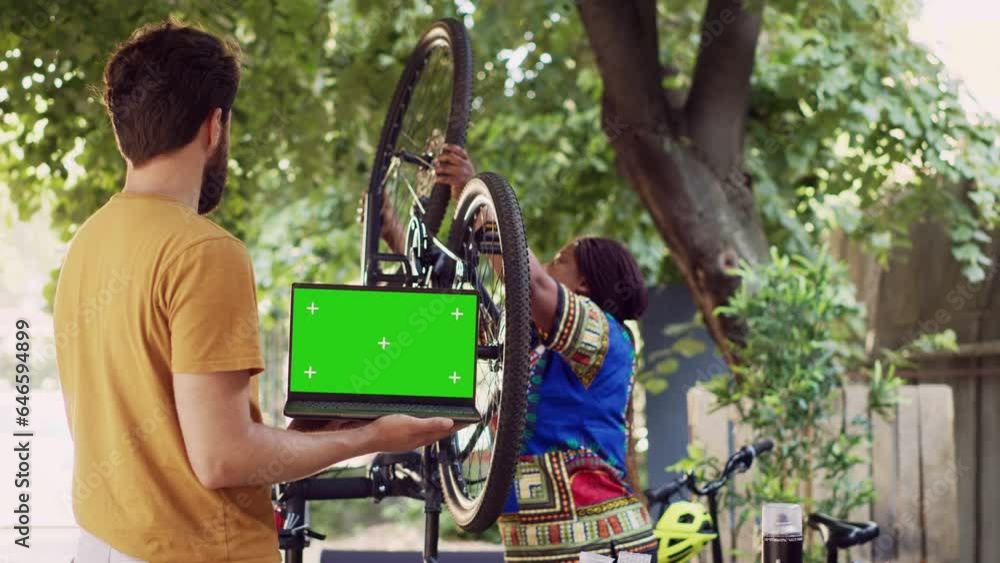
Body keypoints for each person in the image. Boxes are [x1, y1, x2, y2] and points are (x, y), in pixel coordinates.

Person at [53, 20, 457, 563]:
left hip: (103, 544)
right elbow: (223, 459)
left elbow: (172, 431)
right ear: (214, 126)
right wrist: (374, 438)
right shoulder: (203, 251)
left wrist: (303, 436)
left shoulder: (89, 241)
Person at [433, 146, 660, 562]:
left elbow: (531, 282)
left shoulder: (605, 334)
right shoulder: (537, 349)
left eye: (560, 260)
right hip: (548, 549)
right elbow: (449, 303)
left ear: (586, 288)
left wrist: (471, 188)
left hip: (597, 546)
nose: (548, 265)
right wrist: (398, 229)